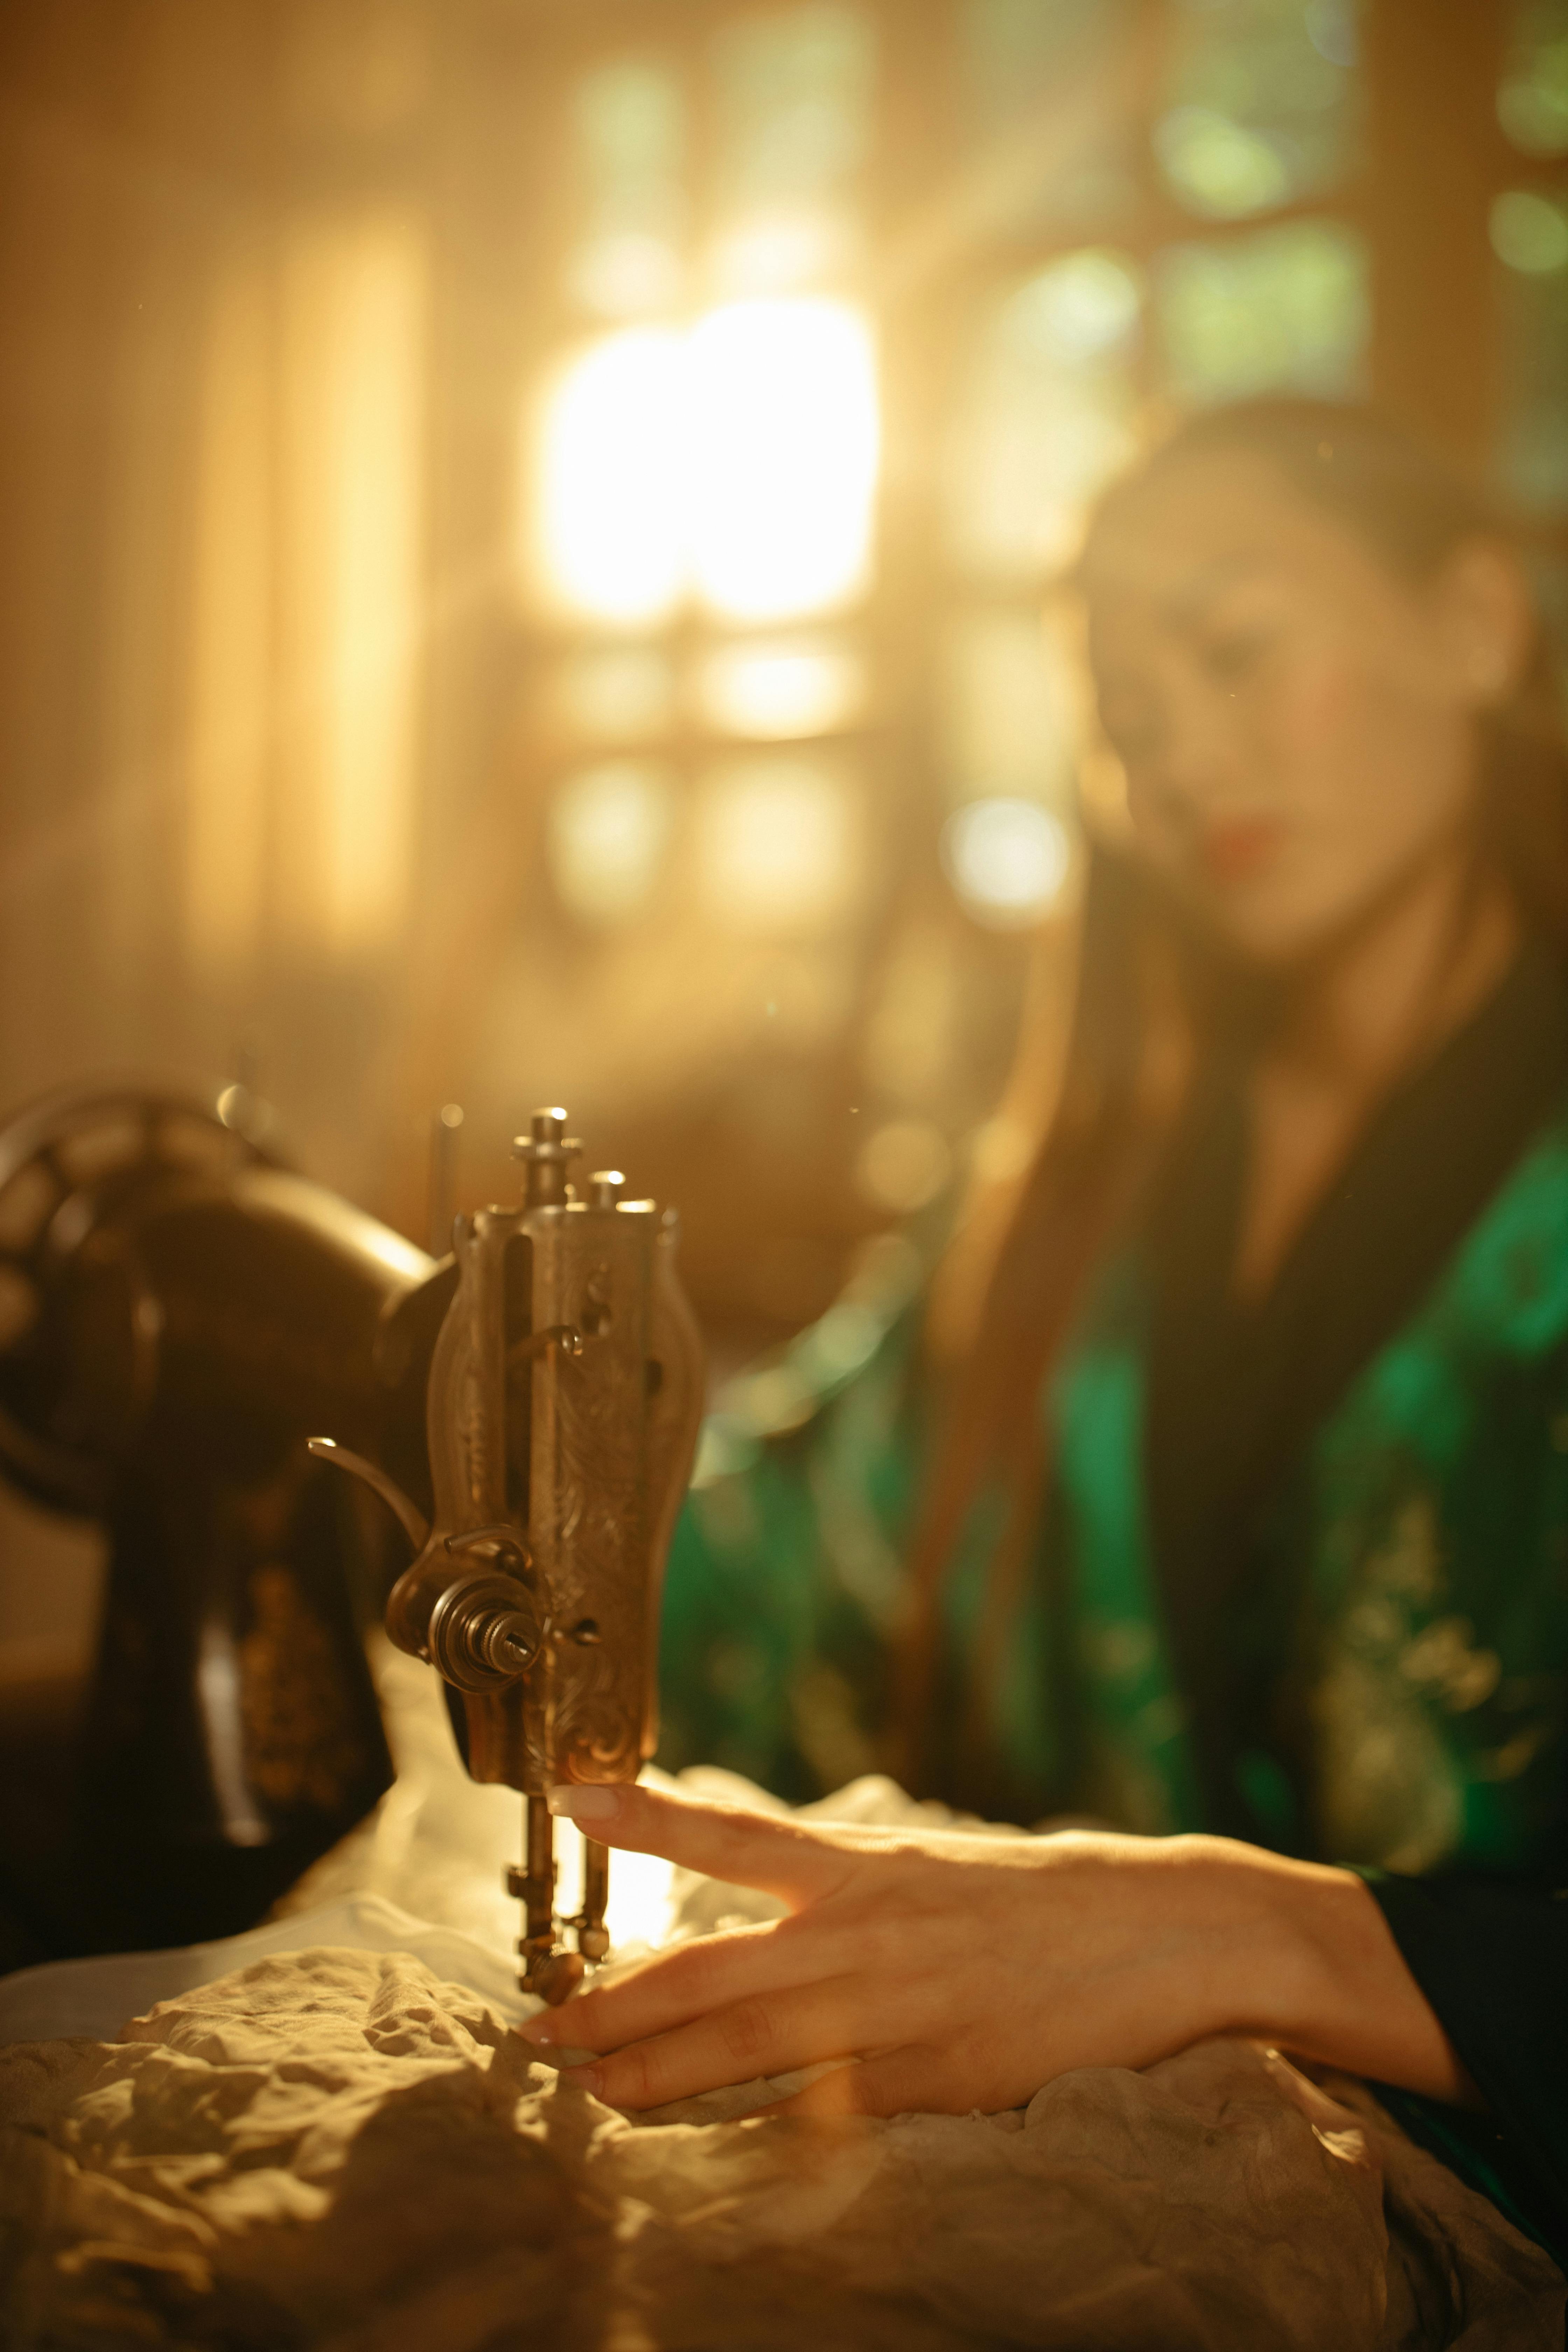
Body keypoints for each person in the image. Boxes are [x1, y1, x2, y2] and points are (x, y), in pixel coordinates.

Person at [520, 400, 1568, 2266]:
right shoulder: (1065, 1221)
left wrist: (1275, 1937)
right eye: (1124, 707)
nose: (1178, 751)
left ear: (1479, 626)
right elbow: (776, 1548)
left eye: (1236, 649)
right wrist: (486, 1522)